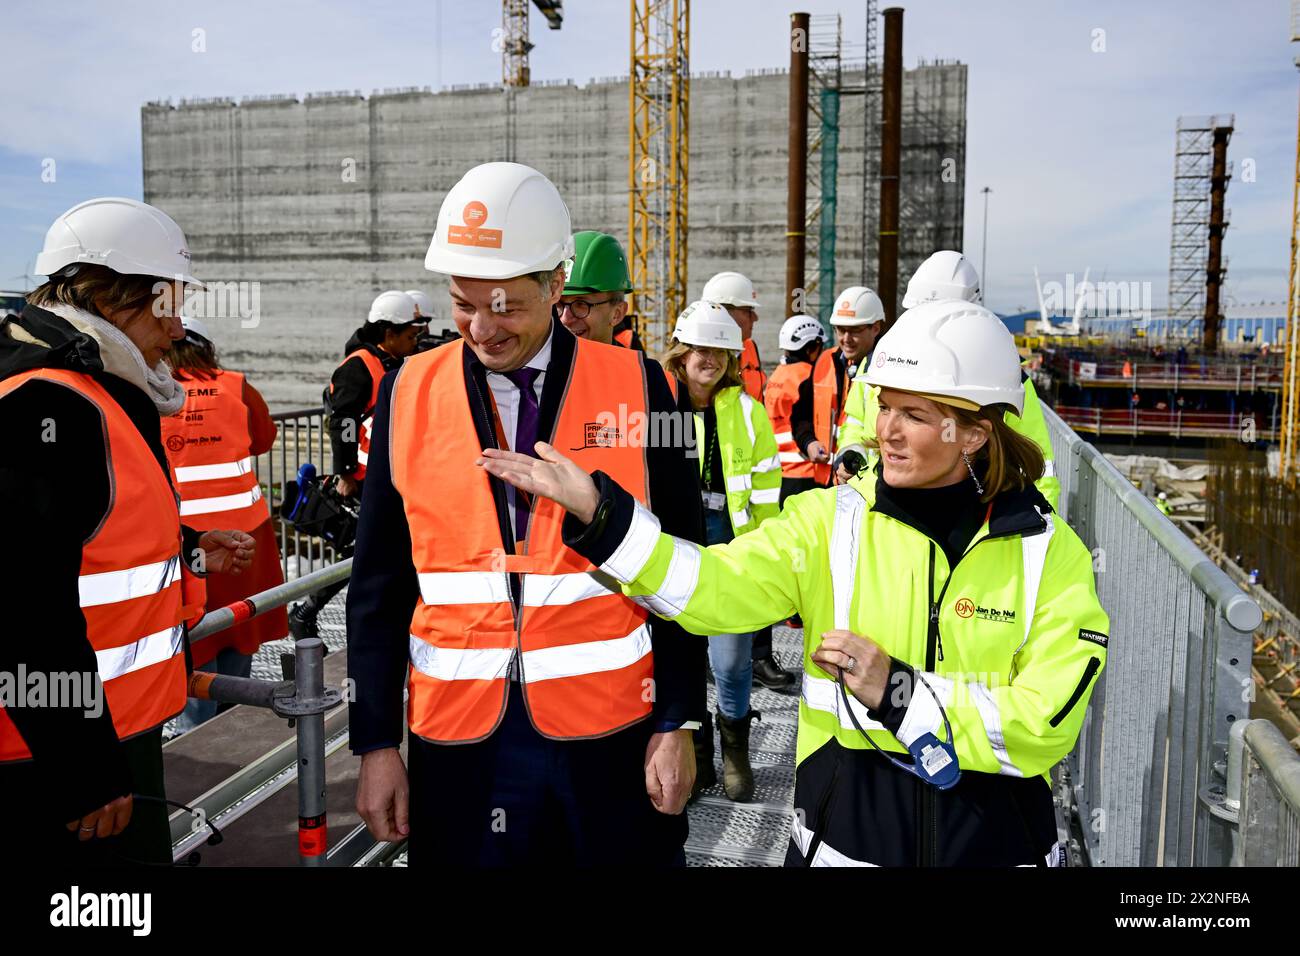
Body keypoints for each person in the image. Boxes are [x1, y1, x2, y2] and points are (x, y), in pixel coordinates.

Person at [482, 298, 1110, 867]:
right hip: (845, 843)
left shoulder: (1049, 555)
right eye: (884, 405)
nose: (884, 429)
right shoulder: (829, 524)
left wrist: (901, 694)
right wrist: (606, 521)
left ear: (974, 432)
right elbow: (711, 586)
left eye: (913, 414)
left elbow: (1047, 720)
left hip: (998, 847)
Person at [348, 161, 706, 866]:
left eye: (505, 305)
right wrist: (376, 743)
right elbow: (379, 582)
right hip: (459, 744)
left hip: (611, 733)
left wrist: (679, 718)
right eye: (462, 304)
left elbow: (684, 560)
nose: (481, 329)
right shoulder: (406, 391)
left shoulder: (638, 386)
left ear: (554, 285)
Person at [0, 197, 253, 865]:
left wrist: (191, 541)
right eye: (166, 307)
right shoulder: (47, 405)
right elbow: (20, 603)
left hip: (104, 732)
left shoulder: (89, 391)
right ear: (113, 298)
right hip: (55, 758)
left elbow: (85, 536)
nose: (175, 331)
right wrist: (83, 767)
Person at [664, 300, 781, 801]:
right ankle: (697, 754)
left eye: (719, 350)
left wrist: (759, 556)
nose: (708, 359)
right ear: (681, 353)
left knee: (731, 661)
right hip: (676, 548)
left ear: (732, 358)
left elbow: (767, 495)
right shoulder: (662, 413)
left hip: (732, 547)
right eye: (699, 349)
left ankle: (735, 750)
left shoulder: (749, 415)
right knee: (682, 655)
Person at [836, 251, 1060, 510]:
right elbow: (854, 422)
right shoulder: (878, 364)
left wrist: (1039, 524)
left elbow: (1035, 462)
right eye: (885, 408)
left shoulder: (1003, 379)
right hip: (878, 502)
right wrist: (852, 453)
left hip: (962, 512)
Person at [163, 316, 286, 732]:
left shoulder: (150, 393)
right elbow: (264, 438)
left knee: (194, 638)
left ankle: (193, 740)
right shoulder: (234, 385)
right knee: (240, 627)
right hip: (245, 539)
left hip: (182, 547)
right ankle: (230, 727)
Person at [288, 290, 424, 641]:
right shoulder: (359, 366)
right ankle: (307, 612)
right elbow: (342, 421)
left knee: (374, 550)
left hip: (387, 474)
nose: (416, 342)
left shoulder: (390, 361)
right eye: (411, 335)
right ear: (388, 333)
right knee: (362, 551)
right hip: (363, 478)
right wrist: (346, 472)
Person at [792, 286, 885, 487]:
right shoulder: (826, 360)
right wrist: (809, 442)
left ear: (876, 328)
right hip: (826, 481)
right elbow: (800, 414)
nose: (846, 339)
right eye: (841, 330)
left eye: (855, 331)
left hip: (865, 483)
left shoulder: (886, 370)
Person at [765, 315, 827, 504]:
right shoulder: (809, 376)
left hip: (777, 469)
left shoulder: (777, 375)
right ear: (811, 348)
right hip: (805, 469)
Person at [559, 230, 639, 348]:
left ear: (617, 314)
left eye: (581, 304)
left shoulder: (636, 366)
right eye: (557, 304)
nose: (565, 319)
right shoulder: (529, 364)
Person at [703, 271, 765, 401]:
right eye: (748, 311)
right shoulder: (697, 358)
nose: (756, 318)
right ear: (723, 312)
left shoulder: (750, 348)